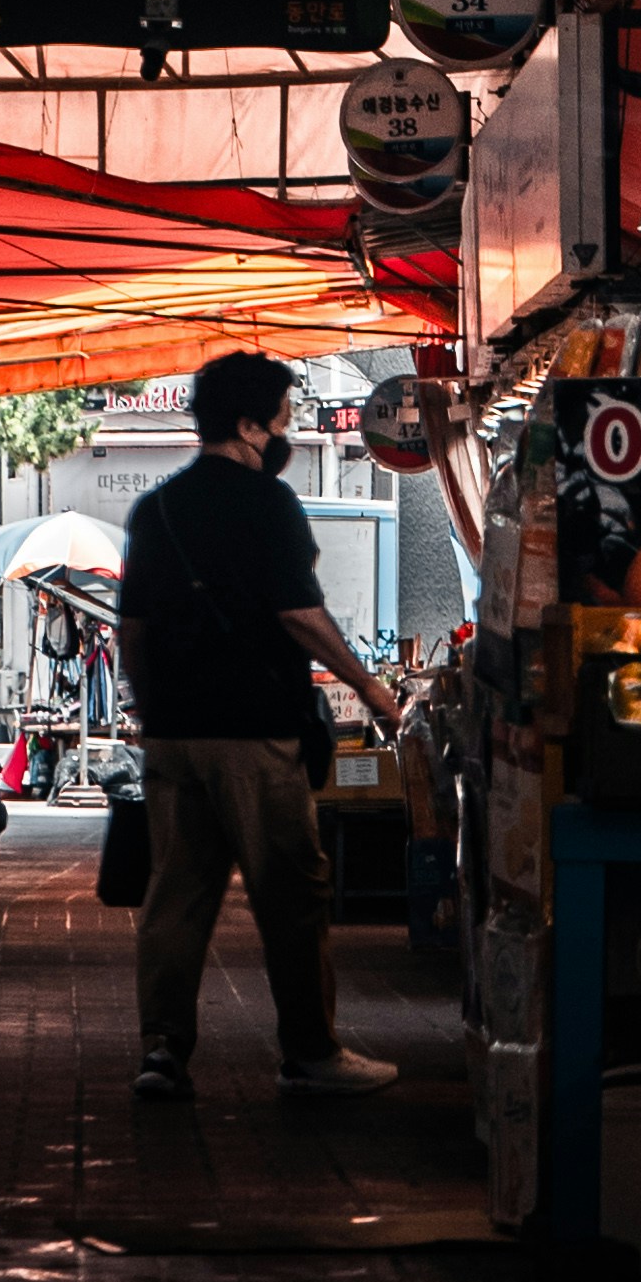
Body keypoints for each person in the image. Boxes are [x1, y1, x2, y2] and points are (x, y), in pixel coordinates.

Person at [117, 350, 408, 1098]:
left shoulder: (156, 510)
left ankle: (162, 1052)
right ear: (249, 425)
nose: (287, 431)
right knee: (291, 892)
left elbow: (134, 628)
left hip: (174, 734)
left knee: (177, 896)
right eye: (283, 419)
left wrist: (153, 713)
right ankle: (312, 1052)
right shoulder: (266, 504)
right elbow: (298, 614)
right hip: (253, 730)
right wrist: (371, 688)